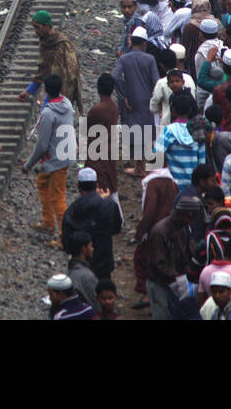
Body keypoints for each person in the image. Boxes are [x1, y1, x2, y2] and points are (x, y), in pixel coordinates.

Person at [21, 74, 76, 239]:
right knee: (42, 183)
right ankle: (48, 222)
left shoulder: (48, 114)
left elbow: (42, 145)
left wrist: (28, 165)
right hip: (64, 152)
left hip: (57, 158)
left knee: (58, 197)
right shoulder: (66, 103)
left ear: (45, 90)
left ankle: (63, 237)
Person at [113, 26, 160, 175]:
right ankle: (142, 167)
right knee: (147, 131)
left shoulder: (124, 58)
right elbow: (156, 81)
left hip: (130, 100)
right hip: (147, 100)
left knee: (133, 129)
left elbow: (115, 76)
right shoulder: (150, 59)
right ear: (145, 44)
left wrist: (123, 95)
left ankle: (138, 166)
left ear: (131, 42)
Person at [62, 167, 123, 280]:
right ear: (96, 185)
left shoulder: (71, 211)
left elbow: (66, 244)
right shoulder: (109, 205)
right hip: (104, 263)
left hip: (80, 268)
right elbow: (117, 228)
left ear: (78, 186)